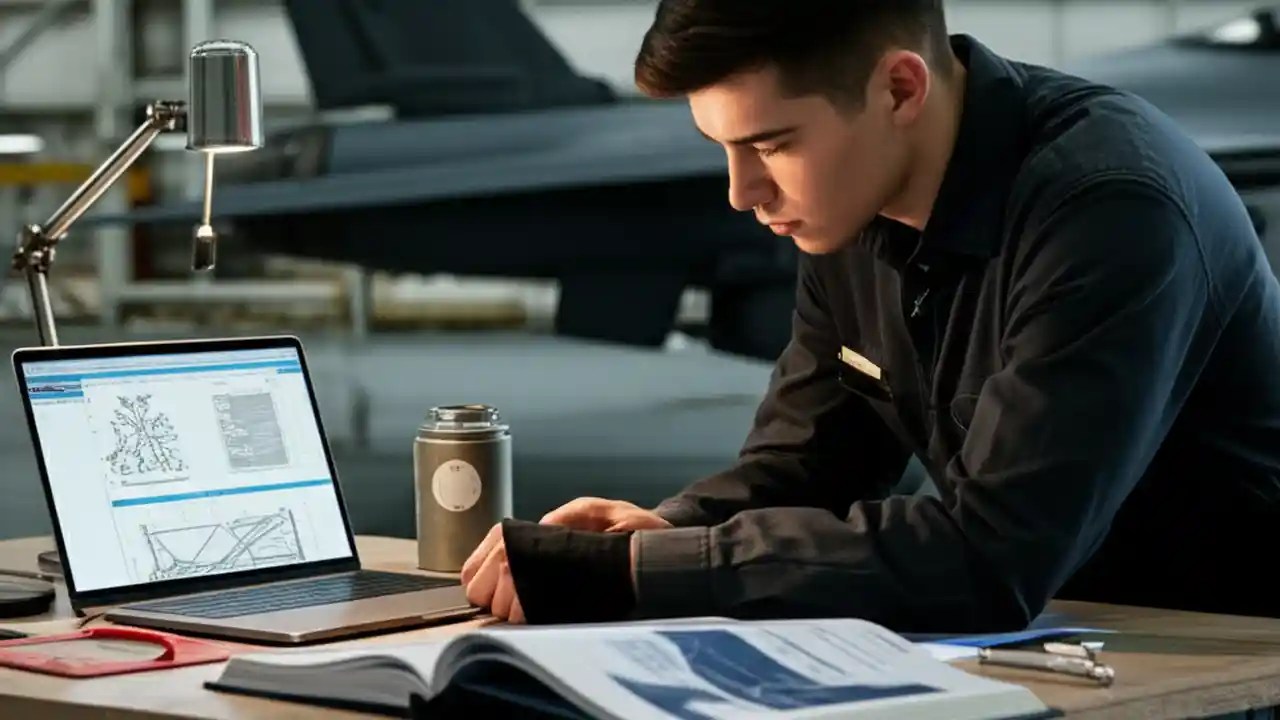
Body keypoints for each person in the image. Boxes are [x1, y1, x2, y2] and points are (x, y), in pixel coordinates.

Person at [461, 0, 1280, 632]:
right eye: (724, 148)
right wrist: (666, 528)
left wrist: (639, 574)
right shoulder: (853, 199)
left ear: (899, 89)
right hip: (1074, 645)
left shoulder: (1113, 211)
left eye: (772, 145)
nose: (742, 194)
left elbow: (989, 560)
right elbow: (808, 462)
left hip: (1225, 660)